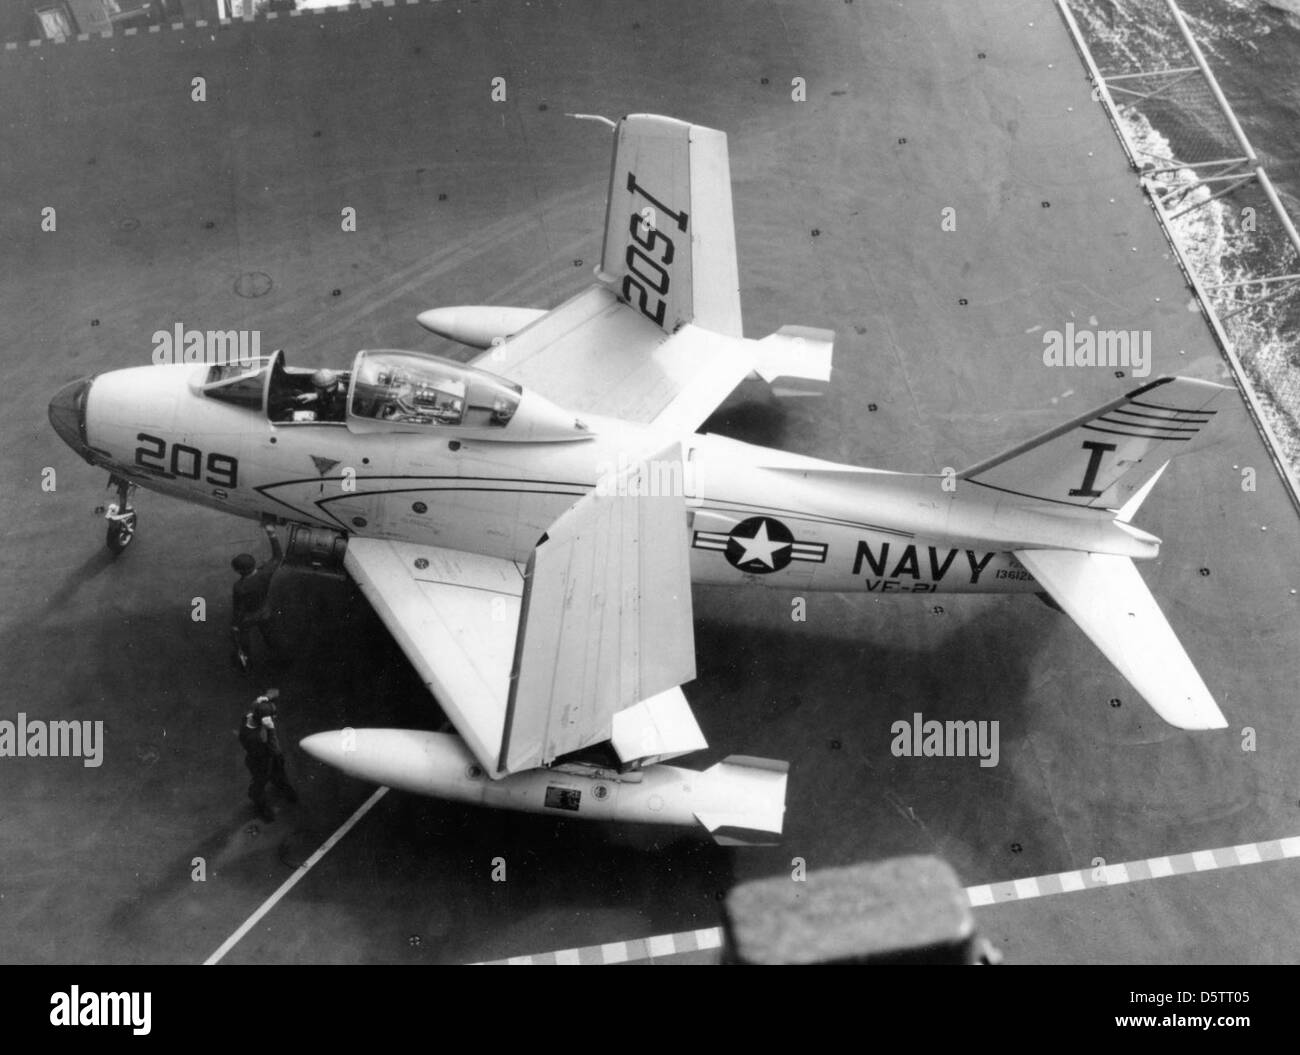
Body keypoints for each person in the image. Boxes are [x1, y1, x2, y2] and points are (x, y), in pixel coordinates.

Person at [231, 523, 284, 672]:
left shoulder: (239, 587)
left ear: (240, 571)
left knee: (243, 638)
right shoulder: (265, 573)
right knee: (270, 635)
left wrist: (235, 624)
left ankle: (246, 661)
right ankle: (280, 658)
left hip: (248, 616)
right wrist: (271, 534)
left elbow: (238, 608)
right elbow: (278, 556)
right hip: (264, 610)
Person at [238, 690, 297, 822]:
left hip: (265, 758)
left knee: (279, 775)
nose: (273, 719)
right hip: (261, 762)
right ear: (263, 720)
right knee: (259, 785)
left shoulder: (248, 716)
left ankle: (284, 788)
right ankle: (262, 808)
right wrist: (271, 729)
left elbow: (256, 707)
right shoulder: (254, 738)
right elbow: (274, 750)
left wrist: (263, 700)